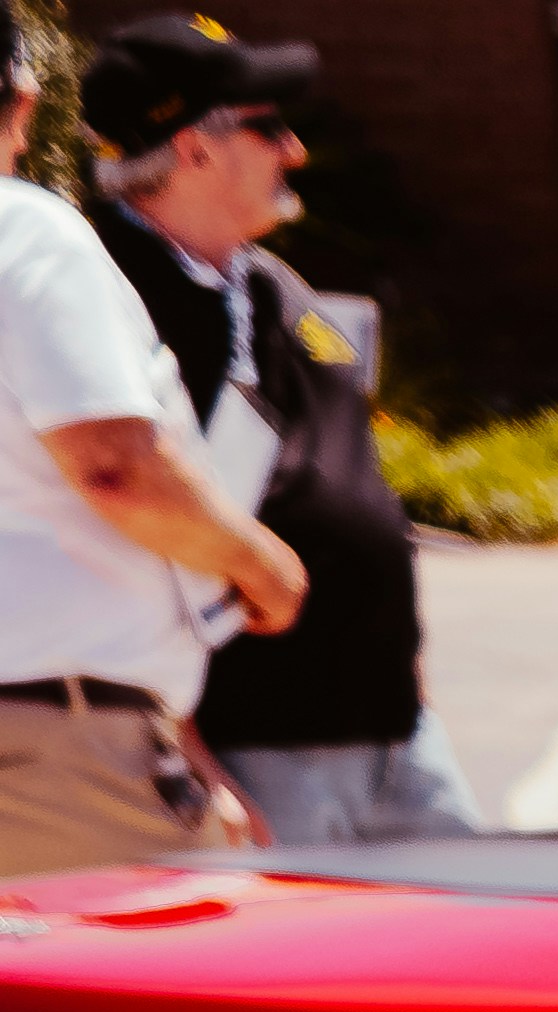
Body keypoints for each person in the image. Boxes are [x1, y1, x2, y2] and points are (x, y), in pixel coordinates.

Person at [87, 21, 446, 839]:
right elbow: (108, 549)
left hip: (401, 737)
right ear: (194, 150)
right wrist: (196, 766)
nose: (295, 150)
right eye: (269, 126)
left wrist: (409, 672)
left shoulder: (272, 286)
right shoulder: (104, 301)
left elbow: (356, 487)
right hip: (259, 759)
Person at [0, 25, 289, 870]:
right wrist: (266, 570)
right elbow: (118, 469)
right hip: (56, 754)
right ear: (20, 102)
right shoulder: (24, 231)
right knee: (189, 992)